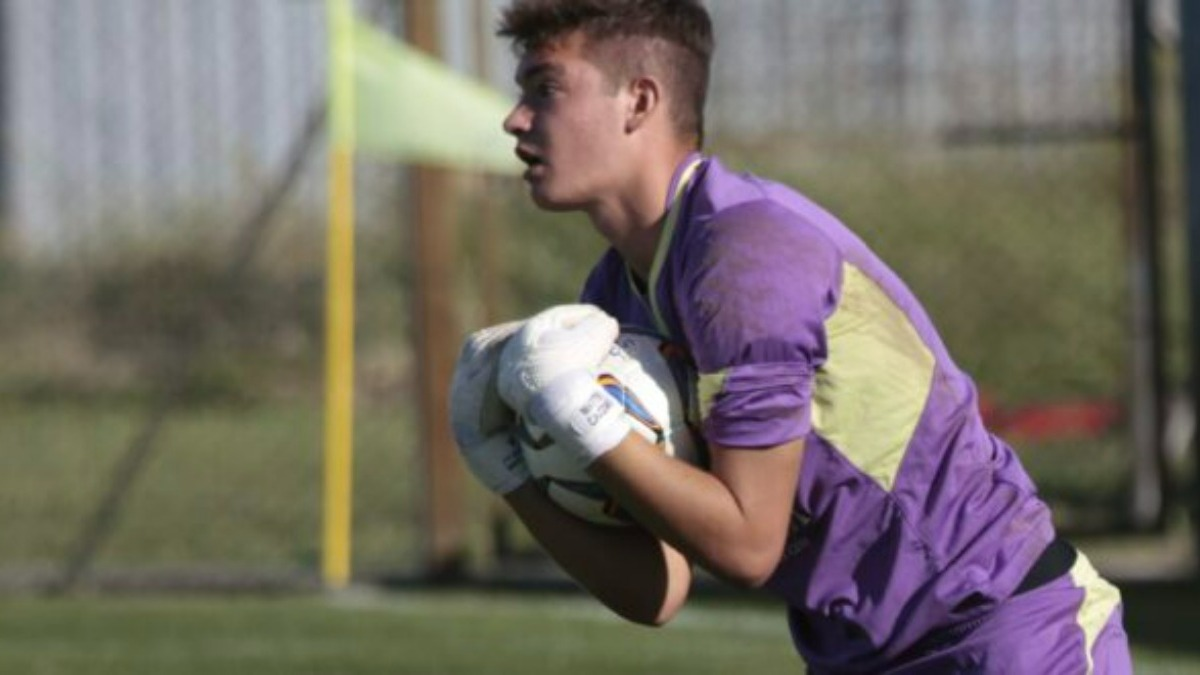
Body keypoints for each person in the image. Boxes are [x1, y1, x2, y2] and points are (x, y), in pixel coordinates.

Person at [449, 1, 1133, 672]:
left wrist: (575, 408)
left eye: (545, 88)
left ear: (639, 101)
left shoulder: (743, 255)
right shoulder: (610, 300)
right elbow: (657, 590)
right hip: (860, 656)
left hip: (1002, 634)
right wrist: (506, 469)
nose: (516, 118)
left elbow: (749, 546)